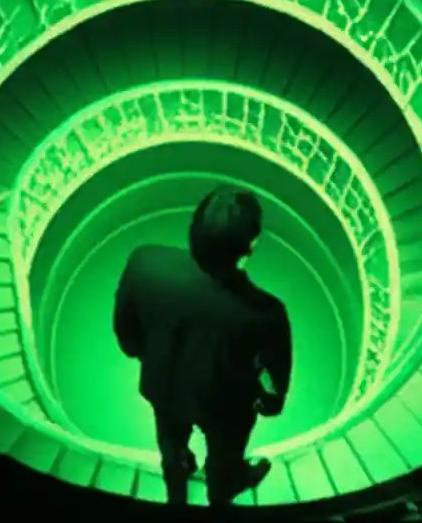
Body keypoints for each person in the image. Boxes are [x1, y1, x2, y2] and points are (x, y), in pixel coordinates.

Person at [113, 185, 293, 507]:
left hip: (164, 386)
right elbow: (272, 393)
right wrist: (264, 402)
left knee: (171, 443)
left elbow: (126, 336)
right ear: (250, 245)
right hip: (226, 409)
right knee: (224, 460)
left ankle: (176, 487)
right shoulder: (267, 313)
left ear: (193, 230)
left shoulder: (145, 261)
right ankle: (222, 491)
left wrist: (159, 356)